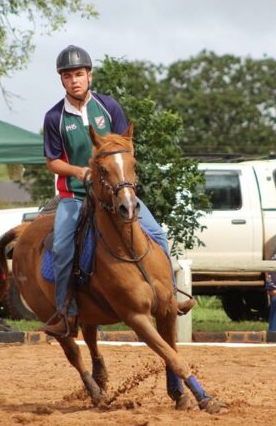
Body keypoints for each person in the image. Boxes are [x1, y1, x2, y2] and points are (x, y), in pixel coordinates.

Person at [39, 45, 195, 337]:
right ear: (62, 80)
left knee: (158, 234)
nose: (75, 80)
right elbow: (52, 161)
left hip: (114, 193)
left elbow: (126, 144)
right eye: (69, 75)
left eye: (80, 74)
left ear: (90, 75)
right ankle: (67, 314)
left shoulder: (108, 107)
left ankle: (170, 294)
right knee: (61, 247)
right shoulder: (54, 118)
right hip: (75, 196)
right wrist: (78, 171)